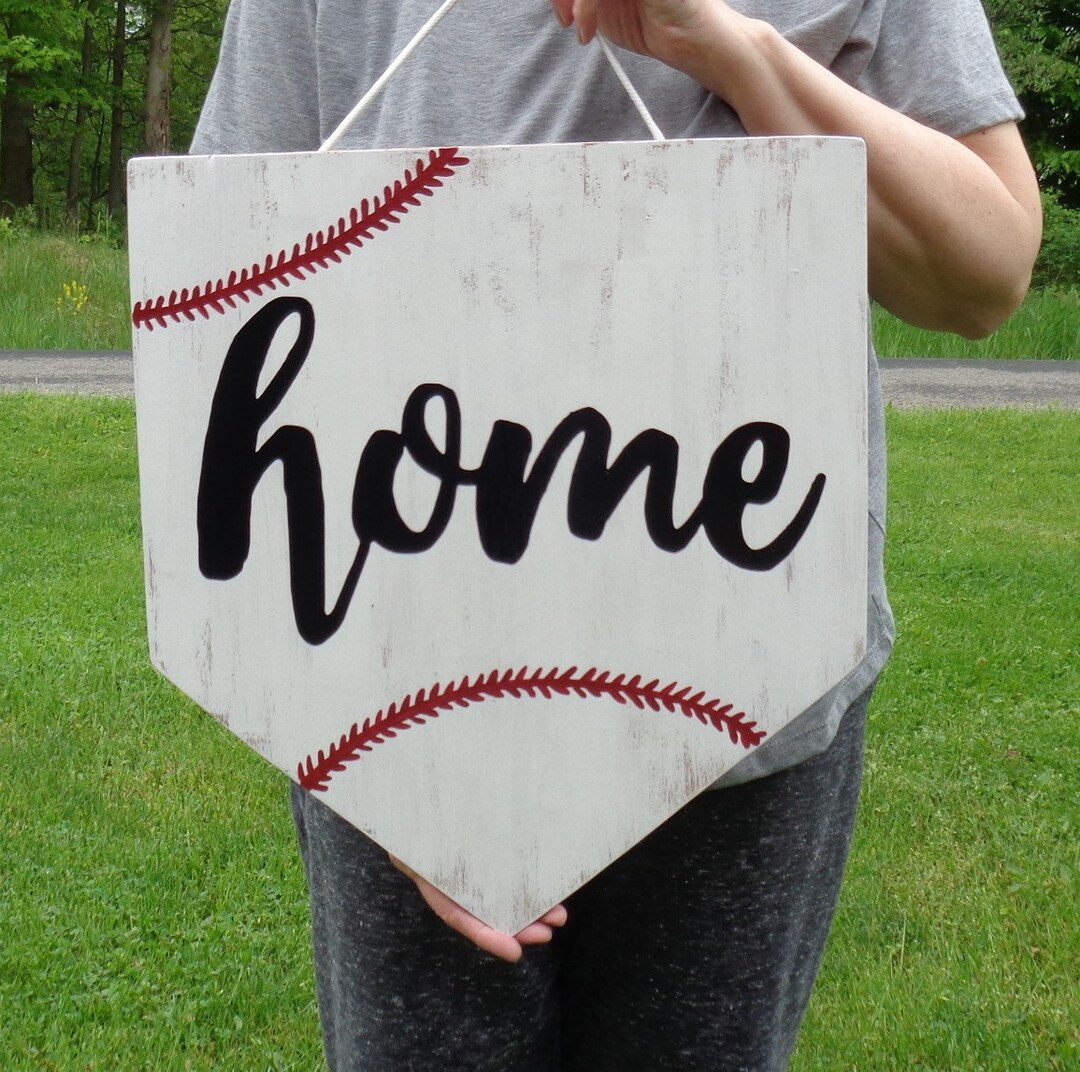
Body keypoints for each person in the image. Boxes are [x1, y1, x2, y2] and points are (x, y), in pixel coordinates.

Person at [192, 1, 1041, 1068]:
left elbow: (984, 275)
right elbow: (234, 298)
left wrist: (733, 50)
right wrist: (378, 750)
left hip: (746, 693)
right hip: (399, 686)